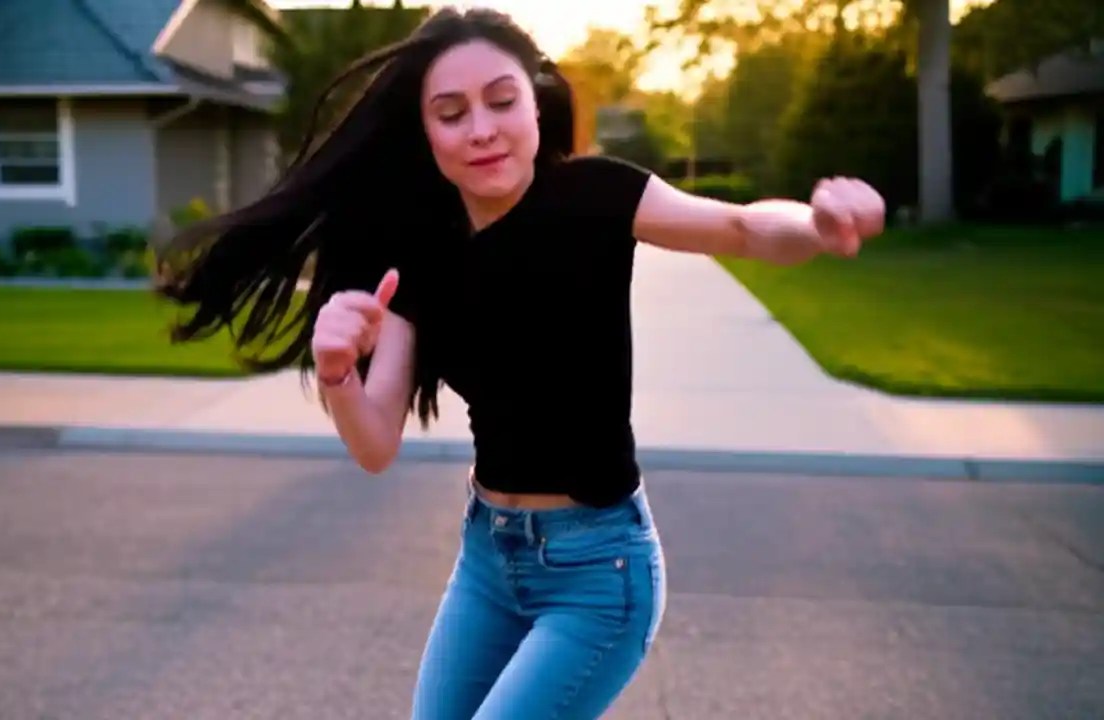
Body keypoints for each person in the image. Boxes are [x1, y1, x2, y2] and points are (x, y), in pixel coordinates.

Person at [154, 6, 885, 719]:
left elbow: (743, 227)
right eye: (451, 113)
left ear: (534, 103)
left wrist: (816, 226)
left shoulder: (596, 198)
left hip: (599, 574)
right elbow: (375, 444)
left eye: (501, 101)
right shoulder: (416, 250)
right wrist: (339, 371)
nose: (481, 130)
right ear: (426, 133)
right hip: (489, 560)